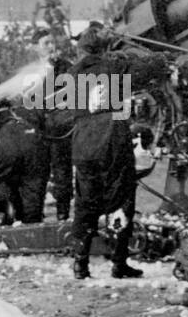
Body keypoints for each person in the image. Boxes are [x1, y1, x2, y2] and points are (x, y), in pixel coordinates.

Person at [69, 22, 169, 280]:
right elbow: (150, 68)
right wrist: (161, 57)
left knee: (85, 203)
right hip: (111, 142)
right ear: (103, 48)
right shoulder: (114, 67)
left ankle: (80, 264)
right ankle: (119, 262)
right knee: (121, 199)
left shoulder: (71, 73)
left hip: (83, 144)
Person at [28, 29, 75, 221]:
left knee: (62, 173)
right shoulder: (30, 69)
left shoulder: (65, 66)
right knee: (35, 175)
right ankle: (34, 217)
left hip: (59, 130)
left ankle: (62, 216)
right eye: (46, 43)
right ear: (35, 48)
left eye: (52, 42)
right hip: (36, 130)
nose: (51, 47)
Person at [0, 98, 48, 224]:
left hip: (3, 151)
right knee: (32, 186)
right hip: (33, 143)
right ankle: (32, 222)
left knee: (0, 182)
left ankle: (9, 210)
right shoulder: (27, 113)